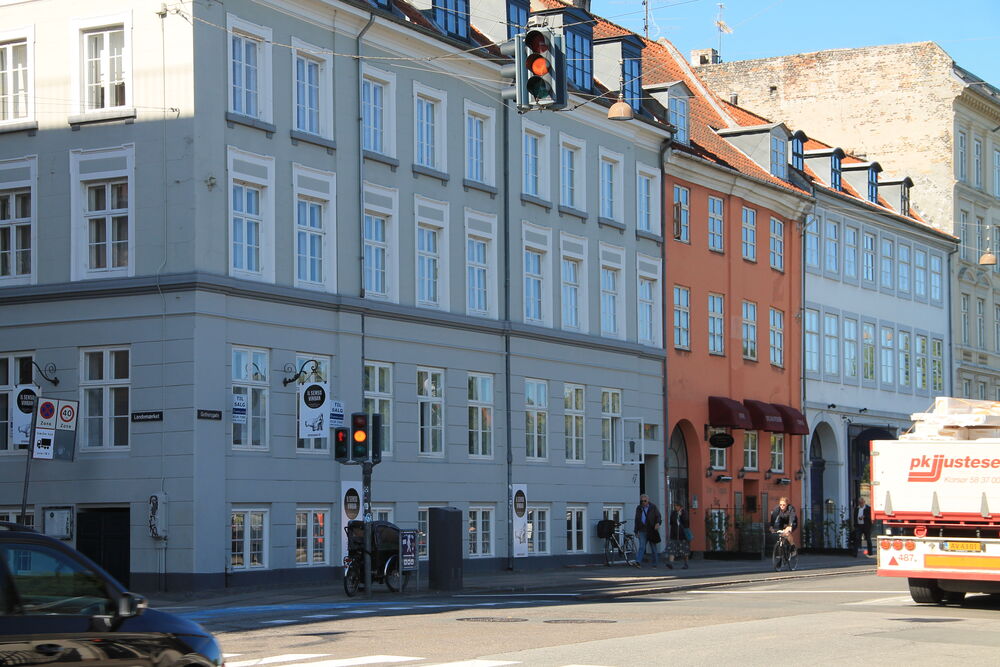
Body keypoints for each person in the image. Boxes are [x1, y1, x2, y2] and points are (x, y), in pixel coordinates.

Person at [633, 494, 662, 567]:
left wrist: (658, 523)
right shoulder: (639, 508)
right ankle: (638, 562)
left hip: (651, 530)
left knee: (653, 547)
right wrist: (636, 531)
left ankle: (655, 563)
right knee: (642, 547)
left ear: (648, 500)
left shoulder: (653, 507)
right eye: (642, 501)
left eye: (645, 501)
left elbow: (658, 516)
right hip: (642, 530)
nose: (643, 502)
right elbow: (636, 519)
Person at [665, 502, 690, 569]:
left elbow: (686, 521)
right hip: (674, 534)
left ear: (680, 507)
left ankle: (686, 564)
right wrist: (676, 516)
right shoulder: (673, 513)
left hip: (682, 535)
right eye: (675, 506)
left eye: (677, 506)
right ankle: (670, 563)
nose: (675, 507)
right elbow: (671, 522)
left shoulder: (684, 513)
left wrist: (681, 515)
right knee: (672, 549)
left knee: (684, 550)